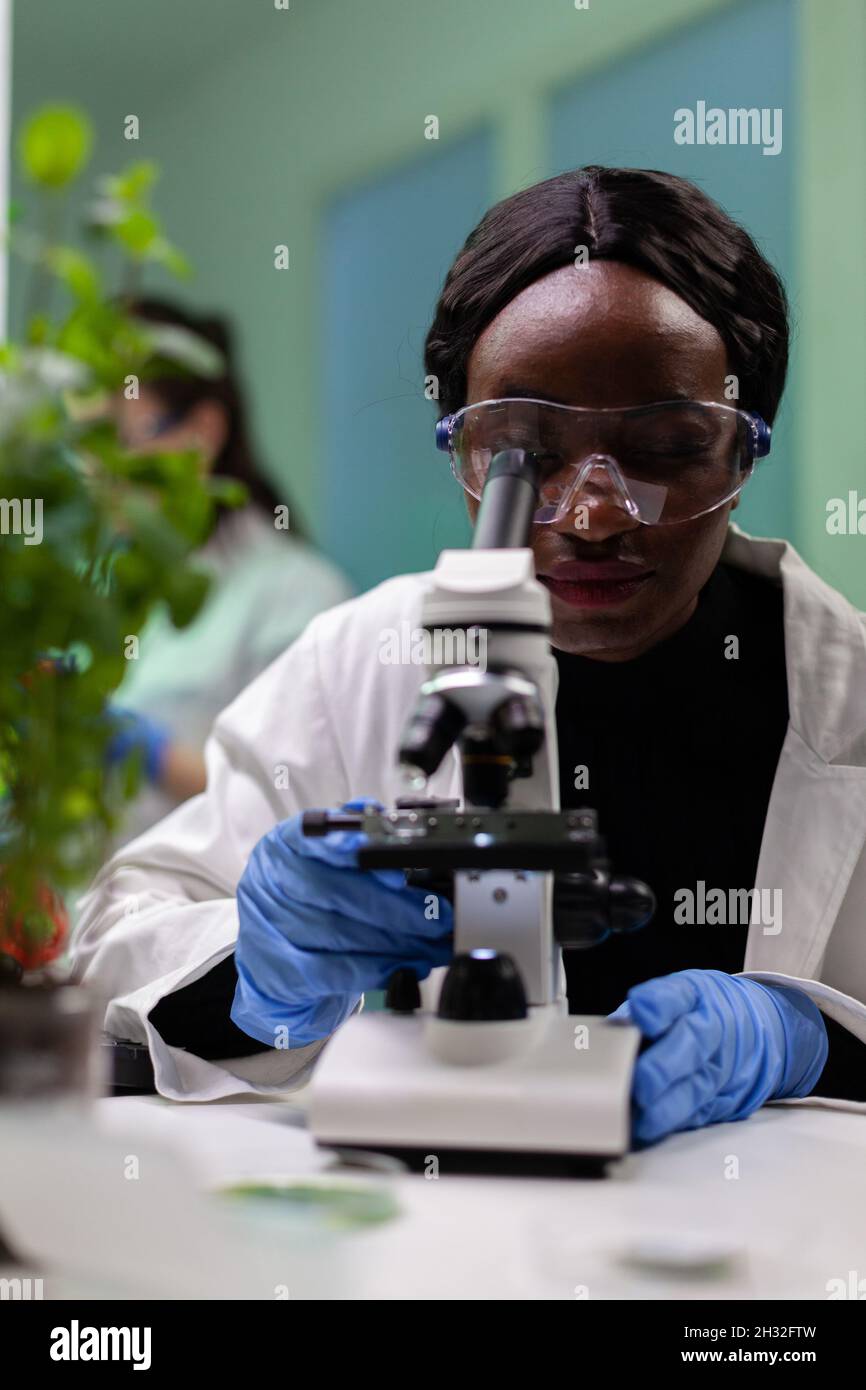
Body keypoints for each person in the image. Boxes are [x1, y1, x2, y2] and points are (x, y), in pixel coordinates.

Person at [73, 169, 866, 1143]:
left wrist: (812, 1038)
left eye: (662, 445)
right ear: (463, 454)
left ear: (740, 455)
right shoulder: (359, 663)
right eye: (522, 451)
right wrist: (253, 964)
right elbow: (113, 945)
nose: (591, 514)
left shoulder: (848, 696)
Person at [104, 298, 351, 842]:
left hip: (217, 919)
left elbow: (301, 807)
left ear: (202, 433)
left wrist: (152, 754)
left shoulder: (297, 594)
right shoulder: (121, 588)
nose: (100, 475)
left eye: (120, 444)